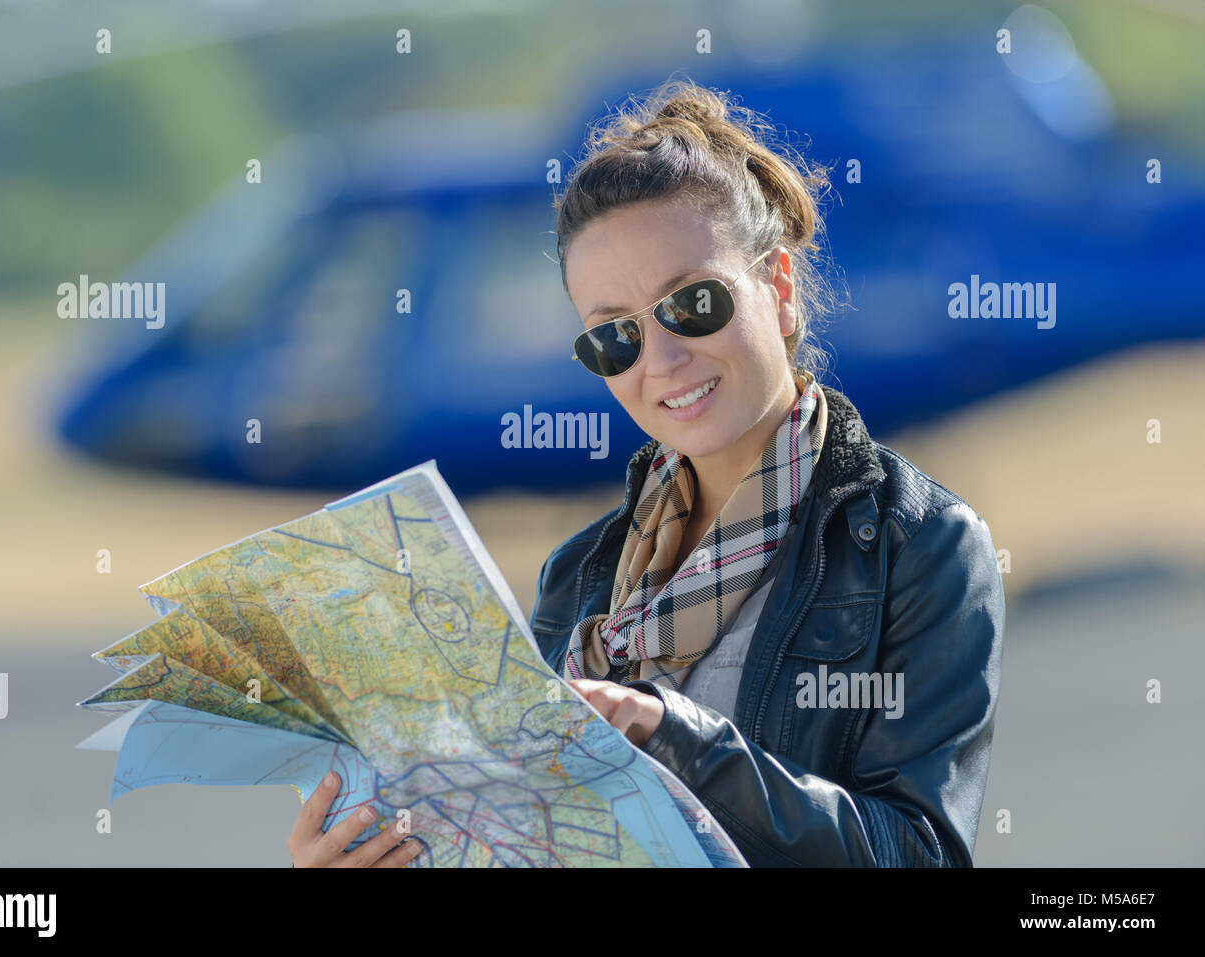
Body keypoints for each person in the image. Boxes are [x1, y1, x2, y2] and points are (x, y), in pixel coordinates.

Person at [288, 74, 1004, 868]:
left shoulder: (920, 546)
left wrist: (672, 736)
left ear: (780, 288)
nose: (661, 359)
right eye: (615, 338)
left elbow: (918, 854)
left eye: (693, 305)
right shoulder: (578, 578)